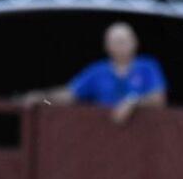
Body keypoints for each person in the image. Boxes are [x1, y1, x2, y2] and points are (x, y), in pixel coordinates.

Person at [21, 22, 166, 125]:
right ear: (107, 46)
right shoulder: (97, 71)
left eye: (123, 41)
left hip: (144, 143)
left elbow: (158, 98)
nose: (120, 46)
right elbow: (70, 95)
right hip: (104, 137)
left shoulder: (147, 66)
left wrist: (132, 101)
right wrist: (42, 98)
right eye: (115, 41)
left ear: (135, 42)